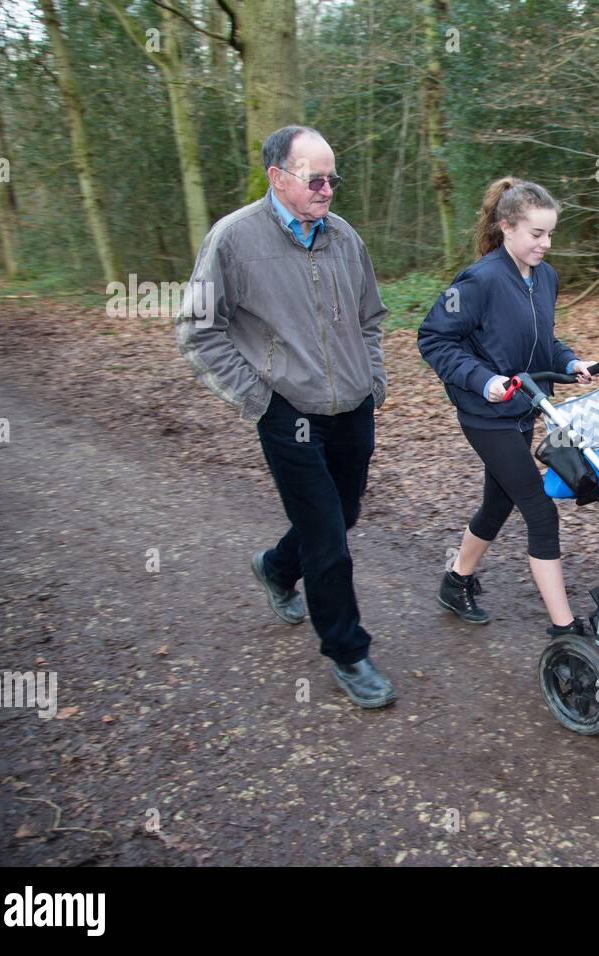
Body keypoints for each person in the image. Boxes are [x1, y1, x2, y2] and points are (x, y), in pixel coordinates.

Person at [174, 125, 396, 708]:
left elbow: (371, 318)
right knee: (328, 538)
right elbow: (198, 329)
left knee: (342, 515)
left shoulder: (344, 237)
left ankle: (275, 568)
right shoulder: (233, 239)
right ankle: (349, 653)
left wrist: (373, 379)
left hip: (353, 408)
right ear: (278, 178)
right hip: (288, 413)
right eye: (315, 179)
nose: (328, 190)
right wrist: (259, 399)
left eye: (333, 179)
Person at [418, 176, 596, 637]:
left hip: (523, 410)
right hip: (485, 415)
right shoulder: (480, 280)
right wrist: (485, 379)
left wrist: (571, 362)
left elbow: (543, 341)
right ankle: (564, 629)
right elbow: (433, 338)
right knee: (539, 510)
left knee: (497, 505)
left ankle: (456, 581)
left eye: (551, 233)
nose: (545, 243)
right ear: (507, 227)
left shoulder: (545, 277)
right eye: (536, 234)